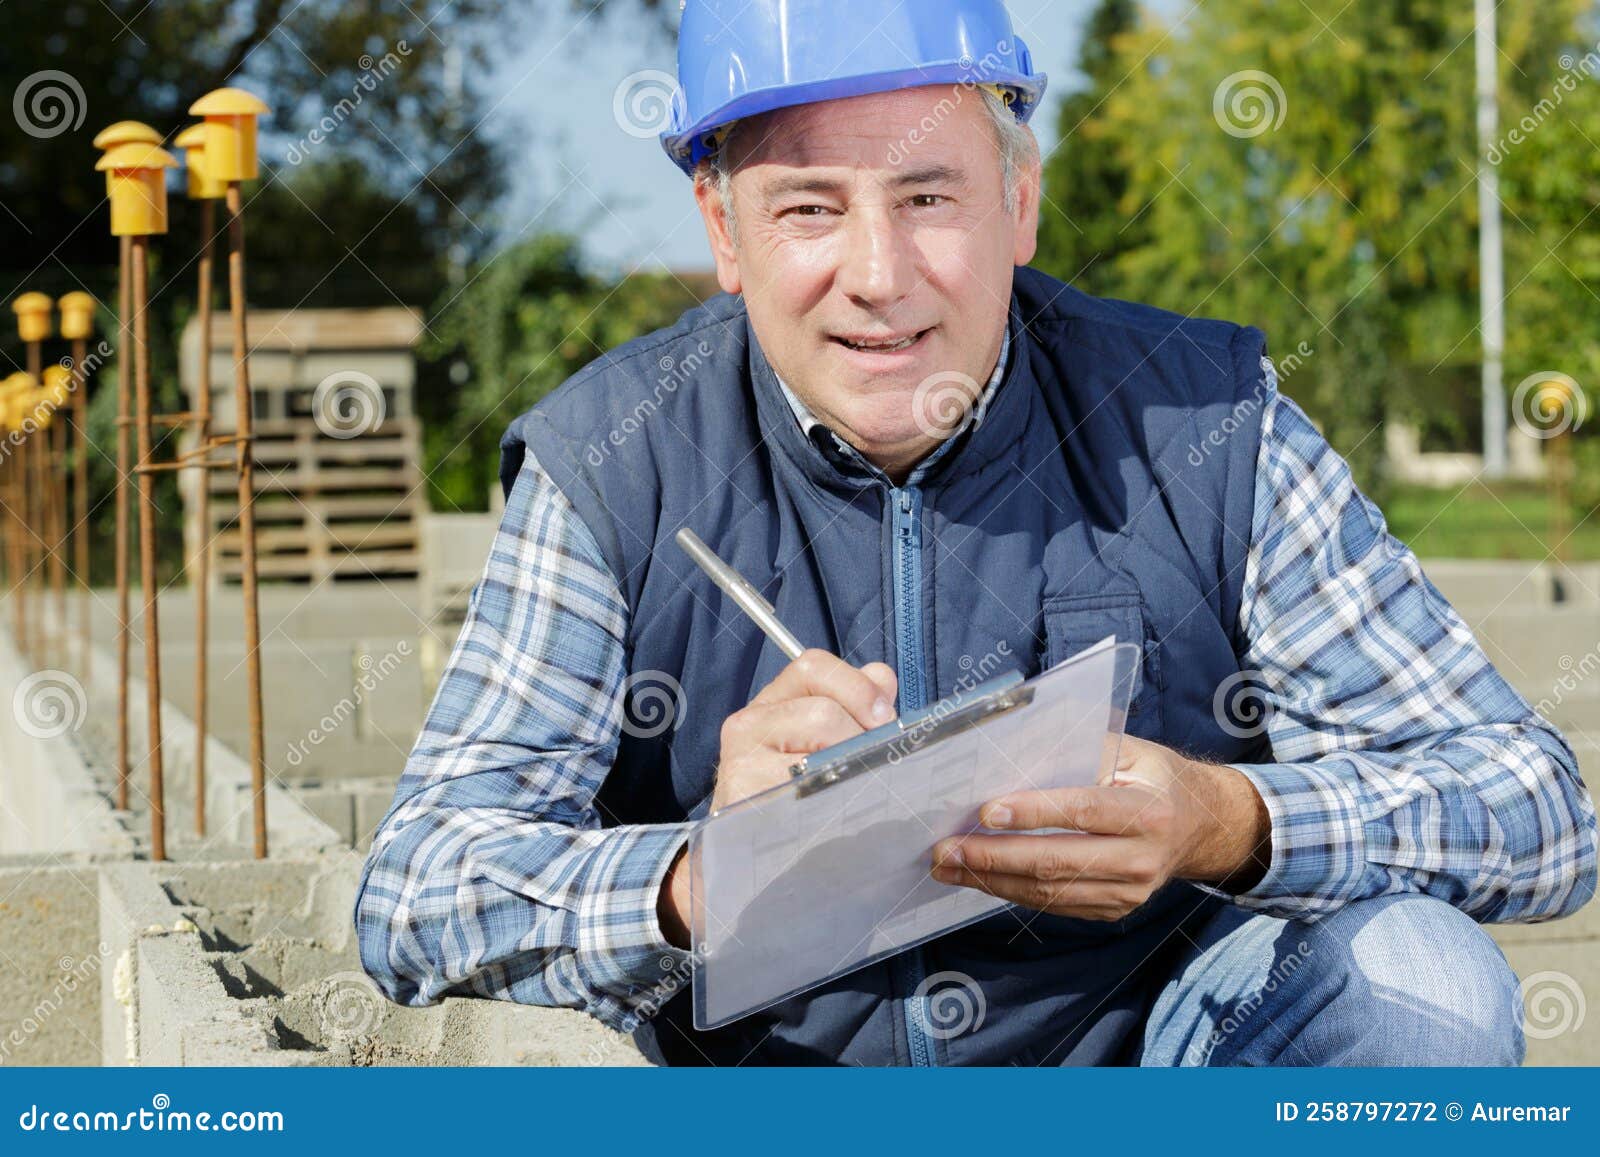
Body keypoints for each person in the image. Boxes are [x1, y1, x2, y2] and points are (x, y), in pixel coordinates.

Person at [355, 0, 1596, 1066]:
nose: (878, 272)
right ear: (723, 231)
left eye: (928, 195)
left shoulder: (1204, 420)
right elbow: (417, 892)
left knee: (1421, 984)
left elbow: (1537, 809)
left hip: (1156, 1068)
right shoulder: (612, 462)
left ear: (1019, 201)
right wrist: (704, 876)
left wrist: (1224, 819)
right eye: (807, 209)